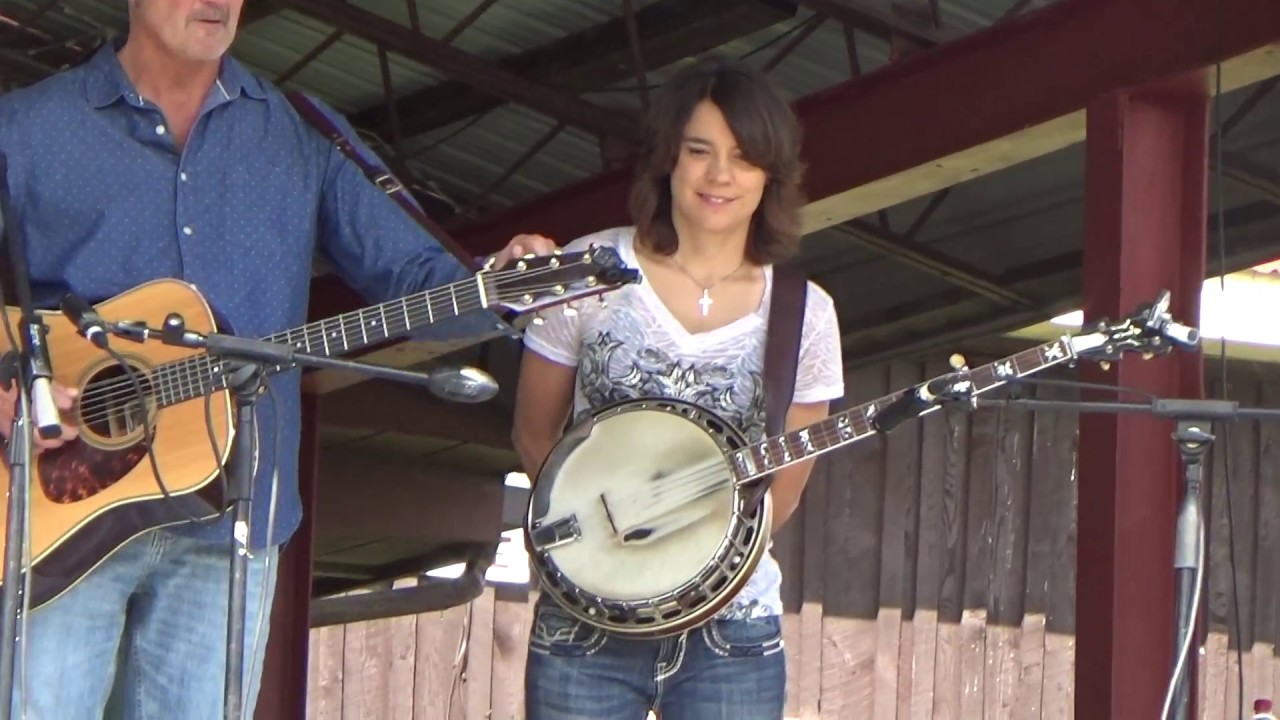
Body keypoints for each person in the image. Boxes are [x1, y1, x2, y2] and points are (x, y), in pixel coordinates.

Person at [0, 0, 554, 717]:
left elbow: (417, 274)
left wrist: (502, 283)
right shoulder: (29, 127)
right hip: (59, 509)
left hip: (231, 517)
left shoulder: (301, 132)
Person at [511, 55, 845, 719]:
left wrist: (682, 568)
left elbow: (782, 491)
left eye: (744, 157)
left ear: (770, 176)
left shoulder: (806, 313)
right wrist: (604, 553)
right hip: (585, 621)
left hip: (733, 633)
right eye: (700, 151)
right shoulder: (590, 273)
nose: (720, 175)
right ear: (669, 159)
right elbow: (534, 433)